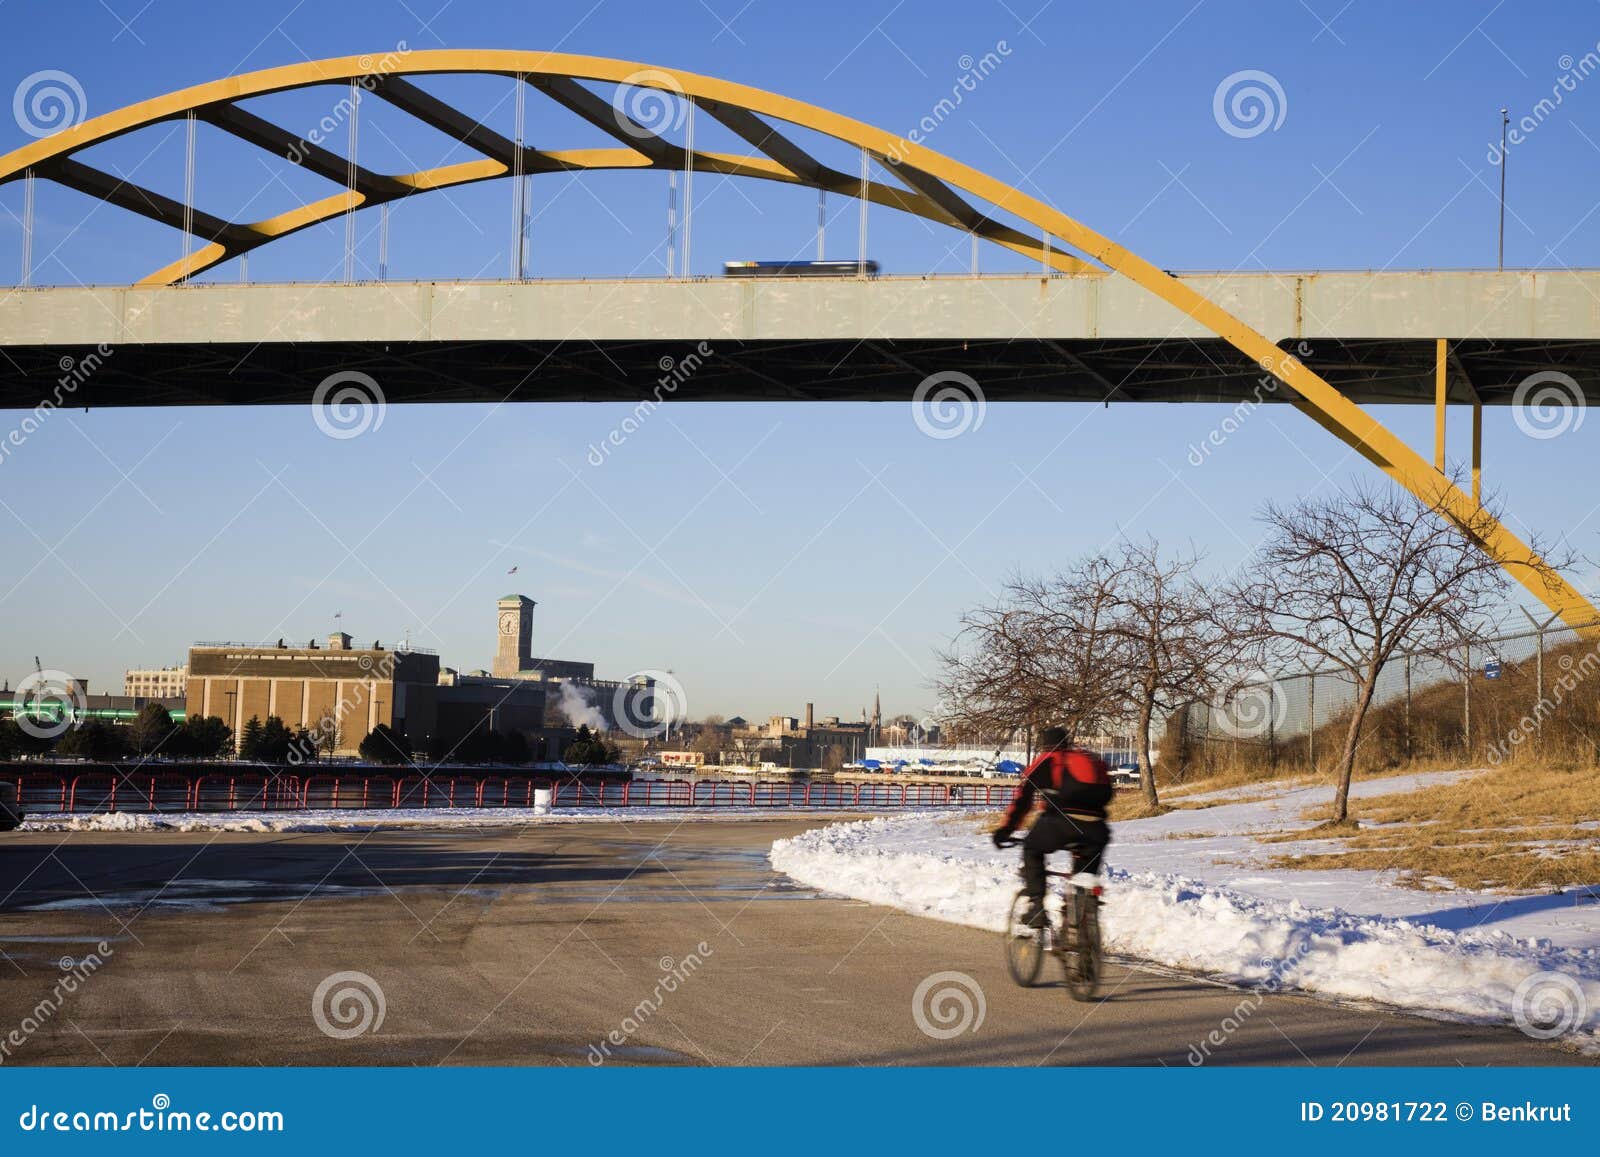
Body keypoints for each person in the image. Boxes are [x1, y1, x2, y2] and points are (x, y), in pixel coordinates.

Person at [991, 727, 1113, 927]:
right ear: (1067, 741)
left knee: (1032, 848)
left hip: (1062, 824)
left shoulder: (1048, 760)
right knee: (1084, 876)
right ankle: (1080, 926)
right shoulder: (1090, 760)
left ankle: (1037, 908)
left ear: (1044, 745)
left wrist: (1005, 830)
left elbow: (1023, 800)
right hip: (1097, 829)